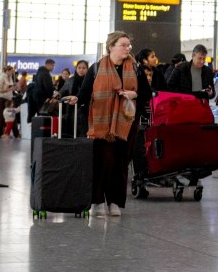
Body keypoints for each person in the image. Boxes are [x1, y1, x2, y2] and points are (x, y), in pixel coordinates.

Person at [70, 32, 150, 218]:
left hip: (126, 123)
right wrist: (76, 99)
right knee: (103, 162)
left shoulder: (135, 68)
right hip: (102, 125)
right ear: (111, 46)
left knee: (121, 164)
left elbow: (146, 92)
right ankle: (97, 201)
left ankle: (114, 202)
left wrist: (133, 94)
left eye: (129, 45)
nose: (127, 48)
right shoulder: (97, 68)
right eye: (123, 45)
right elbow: (85, 92)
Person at [131, 49, 167, 196]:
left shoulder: (157, 77)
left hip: (154, 124)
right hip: (140, 124)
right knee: (140, 151)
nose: (149, 78)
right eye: (152, 56)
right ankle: (141, 176)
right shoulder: (138, 87)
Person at [62, 60, 90, 138]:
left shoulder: (90, 80)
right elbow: (62, 91)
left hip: (85, 111)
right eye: (79, 67)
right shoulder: (70, 81)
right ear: (76, 68)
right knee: (72, 132)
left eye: (84, 68)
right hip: (71, 111)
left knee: (84, 132)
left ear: (88, 69)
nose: (81, 70)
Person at [29, 58, 56, 122]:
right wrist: (50, 96)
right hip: (42, 97)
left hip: (36, 96)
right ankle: (42, 129)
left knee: (39, 114)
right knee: (43, 114)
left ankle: (38, 128)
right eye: (53, 65)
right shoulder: (46, 74)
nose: (53, 67)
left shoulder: (39, 72)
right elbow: (48, 87)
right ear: (49, 64)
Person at [0, 65, 16, 137]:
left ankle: (8, 133)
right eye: (11, 71)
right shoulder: (1, 78)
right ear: (7, 71)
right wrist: (9, 89)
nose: (12, 72)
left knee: (11, 116)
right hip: (1, 98)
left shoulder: (10, 78)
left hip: (9, 98)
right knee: (0, 116)